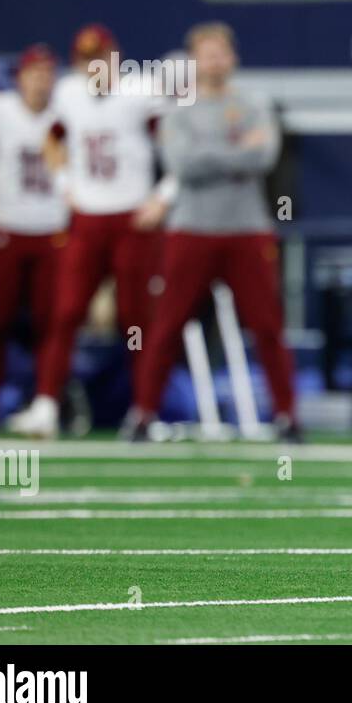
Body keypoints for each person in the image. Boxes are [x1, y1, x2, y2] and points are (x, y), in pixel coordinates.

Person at [125, 23, 299, 442]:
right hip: (191, 228)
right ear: (194, 60)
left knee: (268, 325)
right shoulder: (178, 110)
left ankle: (287, 416)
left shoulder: (255, 103)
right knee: (167, 325)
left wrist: (212, 153)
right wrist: (237, 151)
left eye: (221, 53)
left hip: (248, 228)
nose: (215, 62)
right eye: (207, 54)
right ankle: (143, 413)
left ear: (233, 57)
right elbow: (182, 165)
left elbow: (265, 156)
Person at [6, 24, 169, 438]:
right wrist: (64, 185)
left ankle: (144, 409)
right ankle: (46, 405)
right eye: (87, 60)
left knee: (136, 320)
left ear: (117, 57)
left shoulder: (141, 91)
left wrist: (163, 196)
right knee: (65, 313)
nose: (95, 67)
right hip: (87, 218)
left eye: (102, 58)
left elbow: (173, 144)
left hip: (133, 217)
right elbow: (51, 140)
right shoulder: (68, 94)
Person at [0, 45, 67, 422]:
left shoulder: (66, 114)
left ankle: (45, 404)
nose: (41, 80)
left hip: (54, 231)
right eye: (34, 72)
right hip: (7, 230)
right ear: (19, 78)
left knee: (51, 324)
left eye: (47, 72)